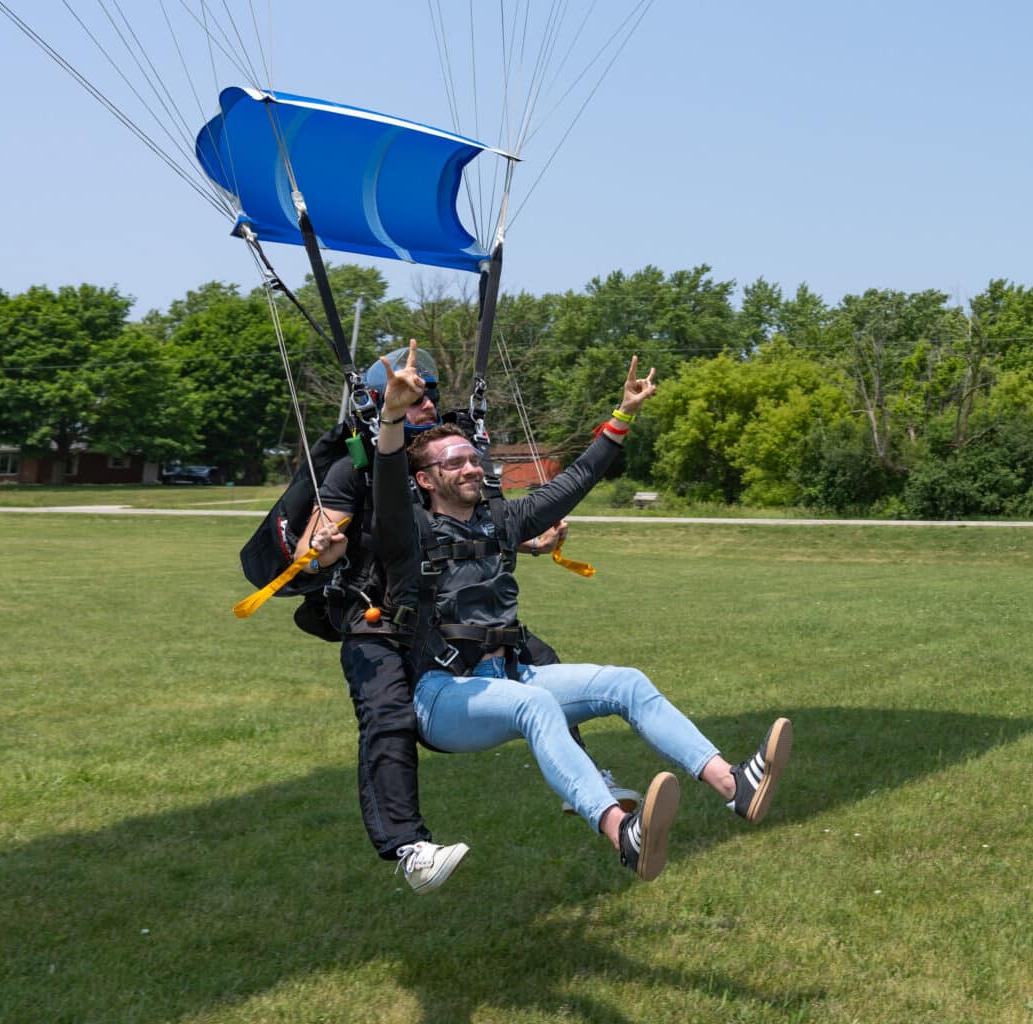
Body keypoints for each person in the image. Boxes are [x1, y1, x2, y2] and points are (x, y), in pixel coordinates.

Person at [367, 343, 792, 882]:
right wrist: (390, 416)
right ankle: (624, 834)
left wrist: (622, 416)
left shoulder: (501, 520)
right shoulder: (409, 533)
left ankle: (736, 786)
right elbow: (384, 484)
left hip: (511, 675)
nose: (472, 466)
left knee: (627, 683)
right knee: (535, 707)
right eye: (455, 462)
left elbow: (574, 483)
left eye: (474, 458)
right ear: (426, 479)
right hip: (443, 695)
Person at [293, 346, 638, 894]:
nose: (425, 399)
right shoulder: (354, 467)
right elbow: (314, 539)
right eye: (411, 390)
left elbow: (482, 532)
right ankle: (410, 848)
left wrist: (530, 542)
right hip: (377, 619)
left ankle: (585, 784)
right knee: (388, 716)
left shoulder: (451, 455)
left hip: (440, 612)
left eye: (428, 390)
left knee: (534, 659)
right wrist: (323, 549)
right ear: (382, 402)